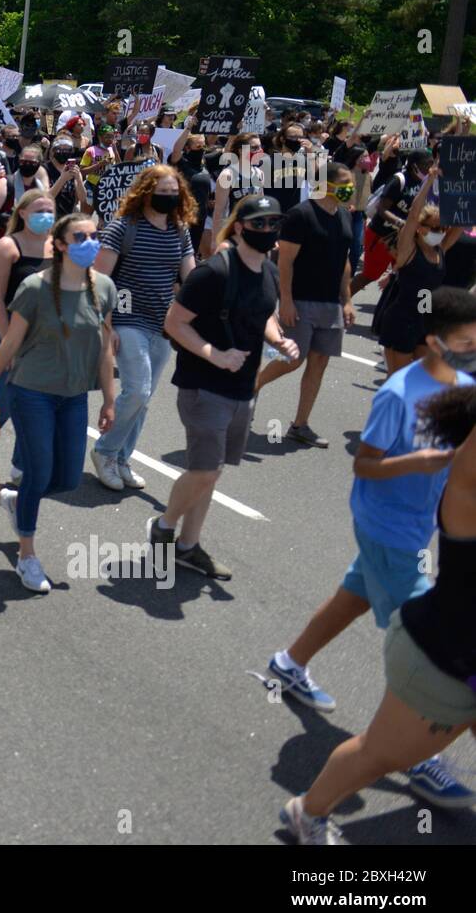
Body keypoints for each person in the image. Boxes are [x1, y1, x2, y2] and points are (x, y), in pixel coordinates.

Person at [266, 287, 476, 820]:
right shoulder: (399, 394)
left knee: (355, 594)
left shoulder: (466, 386)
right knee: (426, 649)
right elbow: (364, 464)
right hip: (388, 528)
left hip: (419, 525)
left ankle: (288, 663)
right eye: (465, 342)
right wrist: (419, 462)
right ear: (433, 341)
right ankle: (417, 751)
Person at [151, 196, 300, 581]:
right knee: (204, 470)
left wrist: (278, 340)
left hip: (242, 386)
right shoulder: (213, 272)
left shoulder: (266, 269)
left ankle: (188, 546)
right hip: (204, 385)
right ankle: (164, 528)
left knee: (213, 472)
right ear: (239, 227)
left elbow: (264, 310)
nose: (267, 230)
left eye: (273, 223)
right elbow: (175, 323)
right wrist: (215, 355)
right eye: (259, 223)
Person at [0, 212, 117, 592]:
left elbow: (105, 349)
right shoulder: (35, 288)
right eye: (80, 237)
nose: (90, 243)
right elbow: (11, 342)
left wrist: (109, 401)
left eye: (94, 236)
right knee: (38, 471)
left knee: (67, 479)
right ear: (62, 245)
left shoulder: (103, 287)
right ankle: (27, 556)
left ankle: (16, 501)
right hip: (31, 391)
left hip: (73, 396)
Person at [91, 165, 198, 490]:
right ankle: (104, 451)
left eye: (173, 192)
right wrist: (107, 329)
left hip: (162, 322)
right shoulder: (123, 228)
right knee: (136, 389)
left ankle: (122, 459)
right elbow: (100, 281)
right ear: (145, 192)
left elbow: (190, 277)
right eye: (162, 192)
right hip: (127, 319)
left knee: (144, 396)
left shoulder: (179, 230)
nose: (168, 198)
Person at [252, 162, 356, 446]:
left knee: (319, 362)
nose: (351, 188)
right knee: (292, 359)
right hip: (301, 299)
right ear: (328, 183)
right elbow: (285, 262)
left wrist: (346, 300)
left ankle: (300, 425)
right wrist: (286, 300)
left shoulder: (345, 216)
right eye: (346, 182)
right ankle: (252, 387)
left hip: (330, 303)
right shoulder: (302, 214)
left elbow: (344, 262)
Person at [372, 163, 463, 374]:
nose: (440, 232)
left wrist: (465, 192)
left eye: (443, 228)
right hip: (402, 319)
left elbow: (461, 221)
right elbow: (413, 215)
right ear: (421, 228)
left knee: (421, 377)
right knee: (398, 379)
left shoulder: (440, 250)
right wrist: (429, 182)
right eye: (435, 227)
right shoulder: (408, 250)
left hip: (425, 320)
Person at [0, 188, 54, 439]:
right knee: (4, 402)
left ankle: (22, 465)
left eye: (49, 211)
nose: (45, 216)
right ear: (22, 213)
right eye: (39, 211)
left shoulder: (56, 246)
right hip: (9, 329)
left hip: (43, 335)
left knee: (34, 405)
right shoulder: (9, 245)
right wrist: (7, 344)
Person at [351, 137, 421, 295]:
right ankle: (341, 304)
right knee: (369, 275)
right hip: (382, 235)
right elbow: (381, 209)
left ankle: (397, 310)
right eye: (425, 164)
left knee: (406, 275)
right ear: (415, 165)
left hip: (403, 239)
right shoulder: (400, 179)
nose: (429, 168)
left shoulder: (423, 184)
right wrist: (401, 223)